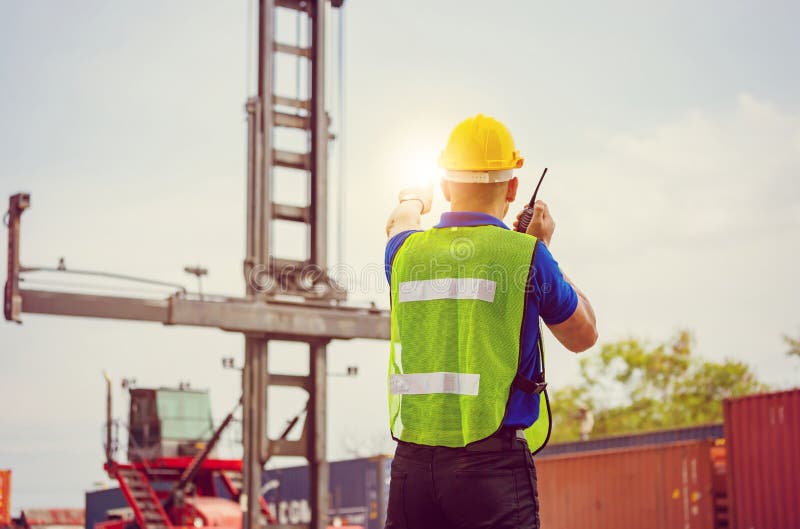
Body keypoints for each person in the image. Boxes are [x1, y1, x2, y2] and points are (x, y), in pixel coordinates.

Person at [383, 114, 597, 529]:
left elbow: (398, 221)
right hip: (490, 470)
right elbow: (584, 334)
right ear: (514, 187)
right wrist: (542, 249)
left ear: (446, 187)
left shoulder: (404, 254)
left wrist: (413, 196)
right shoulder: (525, 256)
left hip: (410, 470)